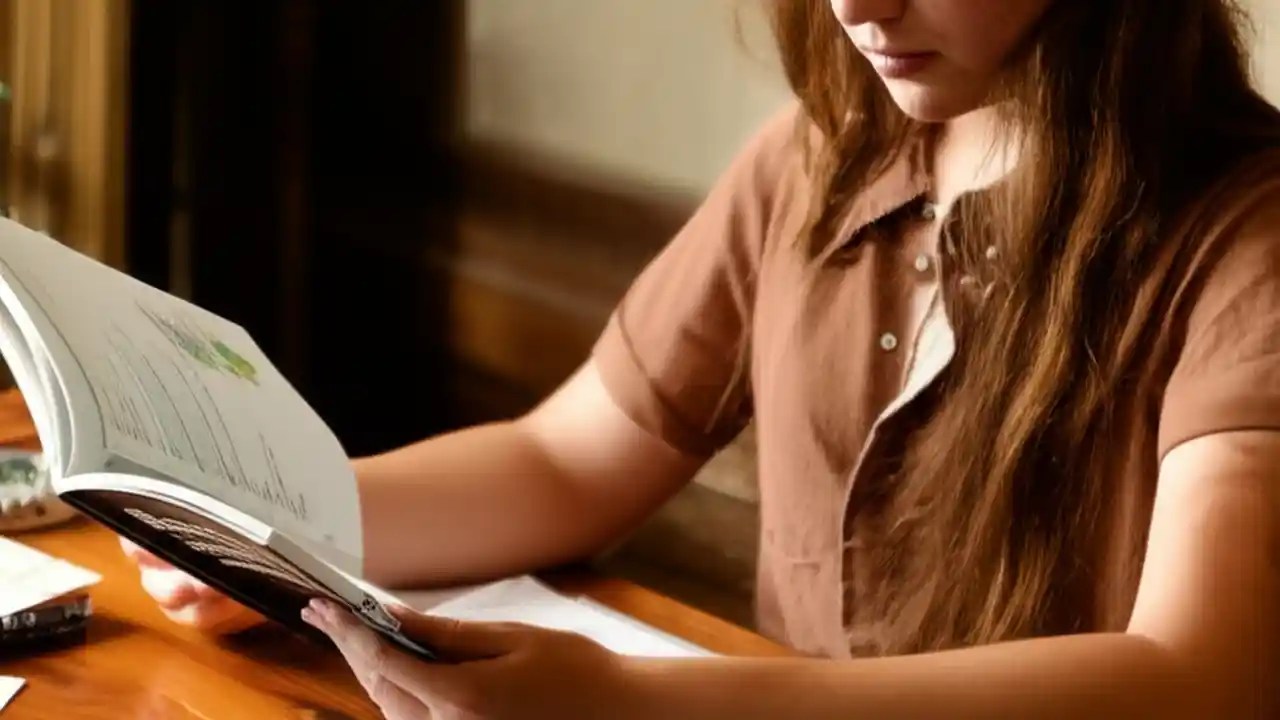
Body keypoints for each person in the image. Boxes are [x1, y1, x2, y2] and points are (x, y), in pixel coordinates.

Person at [123, 0, 1280, 717]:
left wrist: (646, 708)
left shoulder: (1245, 233)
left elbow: (1193, 681)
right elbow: (569, 460)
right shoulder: (819, 158)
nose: (858, 7)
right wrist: (273, 520)